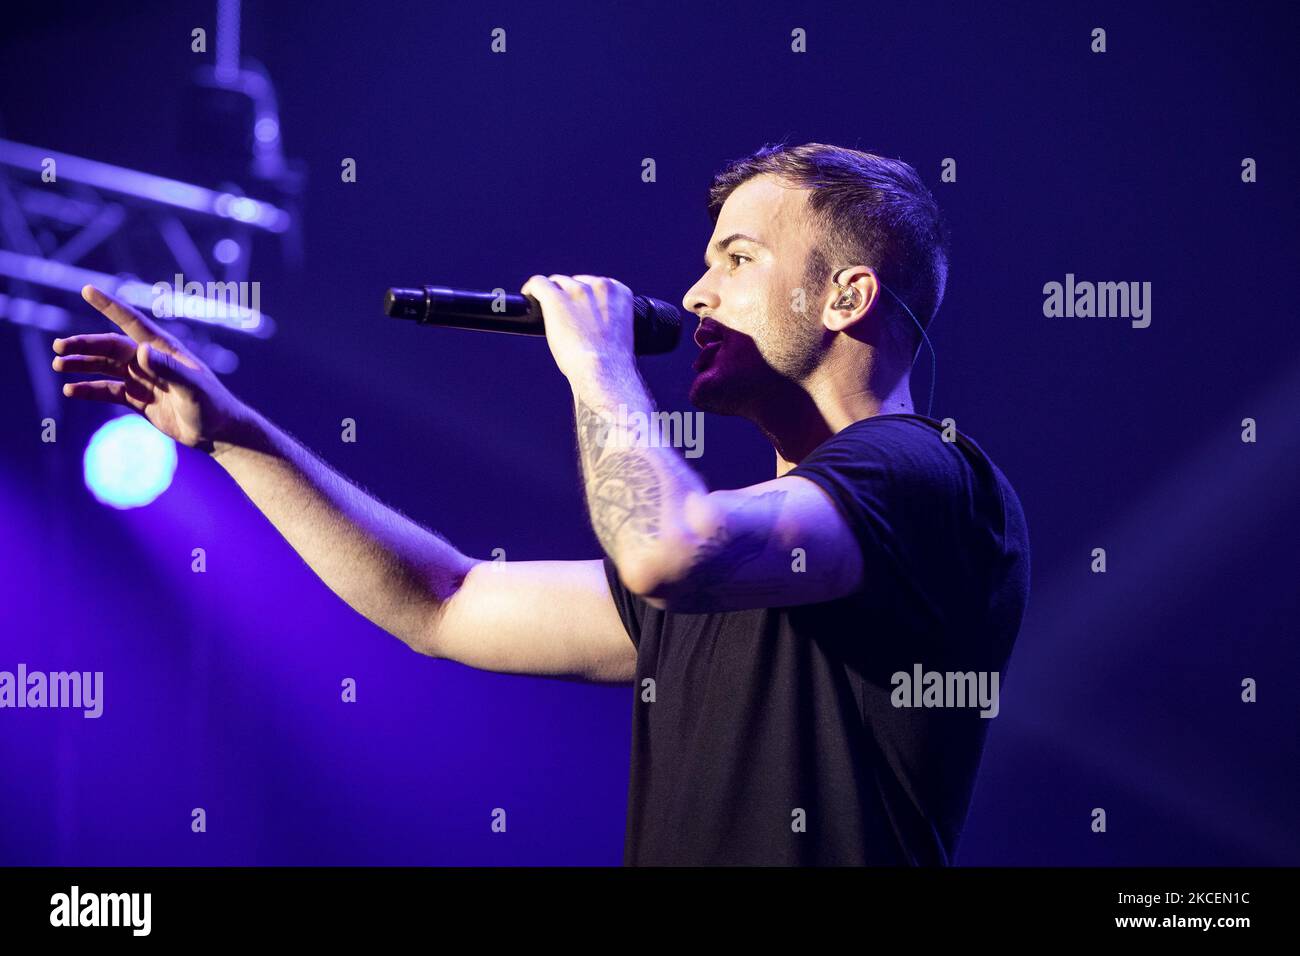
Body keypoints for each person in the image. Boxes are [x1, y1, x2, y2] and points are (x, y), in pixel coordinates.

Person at [53, 142, 1029, 866]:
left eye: (736, 259)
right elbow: (439, 601)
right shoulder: (737, 551)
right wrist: (237, 435)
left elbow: (663, 547)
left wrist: (597, 361)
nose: (693, 293)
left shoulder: (925, 475)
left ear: (846, 296)